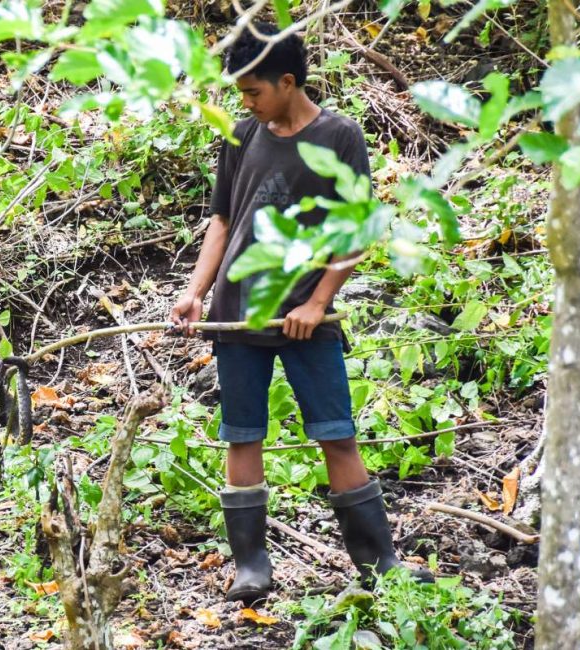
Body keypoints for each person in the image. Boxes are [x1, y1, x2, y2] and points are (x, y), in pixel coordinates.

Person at [170, 22, 423, 603]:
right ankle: (251, 567)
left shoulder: (339, 137)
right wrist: (196, 292)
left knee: (336, 436)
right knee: (242, 437)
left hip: (306, 324)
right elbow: (223, 220)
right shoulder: (241, 134)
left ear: (288, 82)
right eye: (241, 95)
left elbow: (357, 231)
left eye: (255, 92)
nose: (247, 103)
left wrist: (316, 301)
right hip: (238, 316)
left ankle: (380, 565)